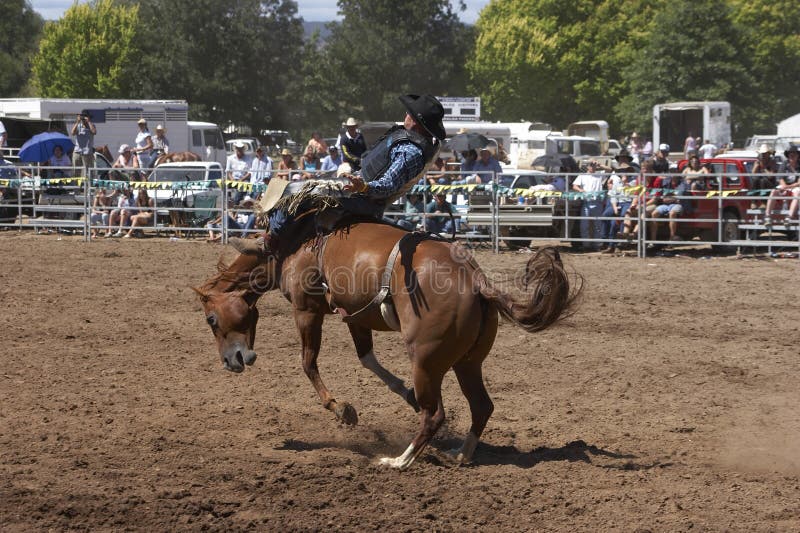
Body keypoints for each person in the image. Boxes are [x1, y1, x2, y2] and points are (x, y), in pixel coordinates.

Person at [233, 93, 444, 256]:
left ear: (416, 121)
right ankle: (277, 233)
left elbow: (389, 184)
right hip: (359, 188)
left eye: (409, 113)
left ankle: (270, 242)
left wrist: (364, 187)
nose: (405, 115)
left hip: (365, 197)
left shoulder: (411, 150)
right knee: (295, 187)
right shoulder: (409, 143)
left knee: (300, 192)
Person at [572, 160, 605, 251]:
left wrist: (599, 164)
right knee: (584, 225)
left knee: (597, 225)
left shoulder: (599, 174)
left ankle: (597, 245)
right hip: (586, 202)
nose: (592, 166)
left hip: (597, 202)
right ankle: (586, 245)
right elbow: (574, 185)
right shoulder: (582, 176)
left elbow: (610, 169)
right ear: (587, 167)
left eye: (593, 165)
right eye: (591, 165)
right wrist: (581, 190)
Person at [764, 144, 800, 225]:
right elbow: (780, 178)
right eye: (790, 154)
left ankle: (789, 217)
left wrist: (787, 187)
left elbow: (799, 183)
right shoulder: (784, 164)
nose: (792, 155)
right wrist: (784, 187)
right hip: (785, 186)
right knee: (774, 191)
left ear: (798, 156)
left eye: (794, 154)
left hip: (795, 187)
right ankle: (767, 216)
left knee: (797, 193)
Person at [649, 174, 690, 242]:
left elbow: (678, 197)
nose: (673, 179)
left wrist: (670, 198)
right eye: (672, 177)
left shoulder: (682, 184)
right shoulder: (665, 183)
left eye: (675, 177)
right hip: (666, 204)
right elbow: (663, 197)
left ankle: (672, 237)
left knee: (672, 213)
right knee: (654, 214)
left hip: (678, 204)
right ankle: (653, 240)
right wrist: (671, 198)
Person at [70, 110, 96, 177]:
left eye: (85, 117)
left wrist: (89, 121)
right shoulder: (78, 125)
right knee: (76, 170)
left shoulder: (92, 125)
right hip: (77, 151)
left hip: (87, 152)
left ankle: (87, 186)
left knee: (88, 171)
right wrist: (77, 122)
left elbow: (94, 132)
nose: (84, 118)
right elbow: (72, 133)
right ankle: (76, 186)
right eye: (83, 117)